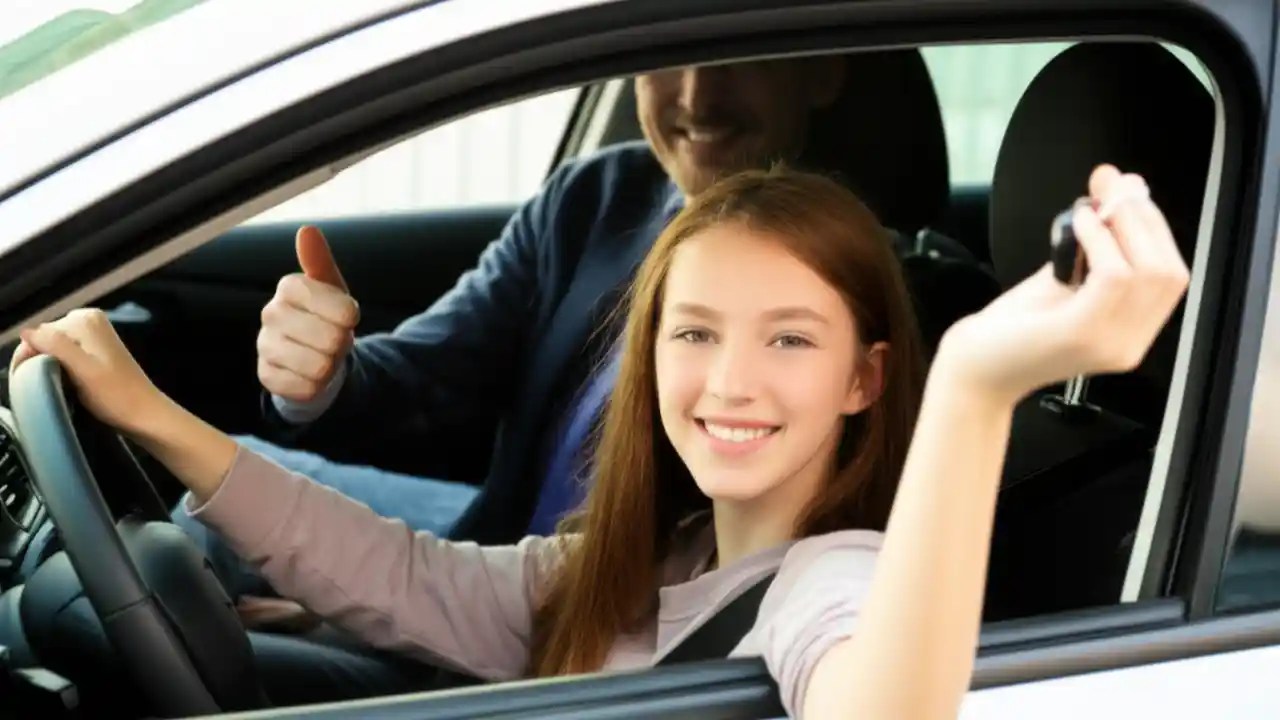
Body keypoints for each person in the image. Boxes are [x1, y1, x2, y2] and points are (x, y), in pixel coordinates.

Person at [12, 161, 1188, 717]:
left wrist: (974, 392)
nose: (728, 382)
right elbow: (402, 576)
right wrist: (155, 419)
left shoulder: (828, 576)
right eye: (693, 336)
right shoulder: (650, 555)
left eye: (788, 341)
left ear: (863, 379)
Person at [179, 54, 989, 606]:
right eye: (668, 45)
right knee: (202, 508)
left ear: (820, 70)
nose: (699, 96)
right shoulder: (596, 199)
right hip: (492, 567)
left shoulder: (874, 304)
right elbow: (433, 376)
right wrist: (322, 375)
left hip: (568, 644)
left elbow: (704, 610)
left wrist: (373, 608)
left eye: (739, 54)